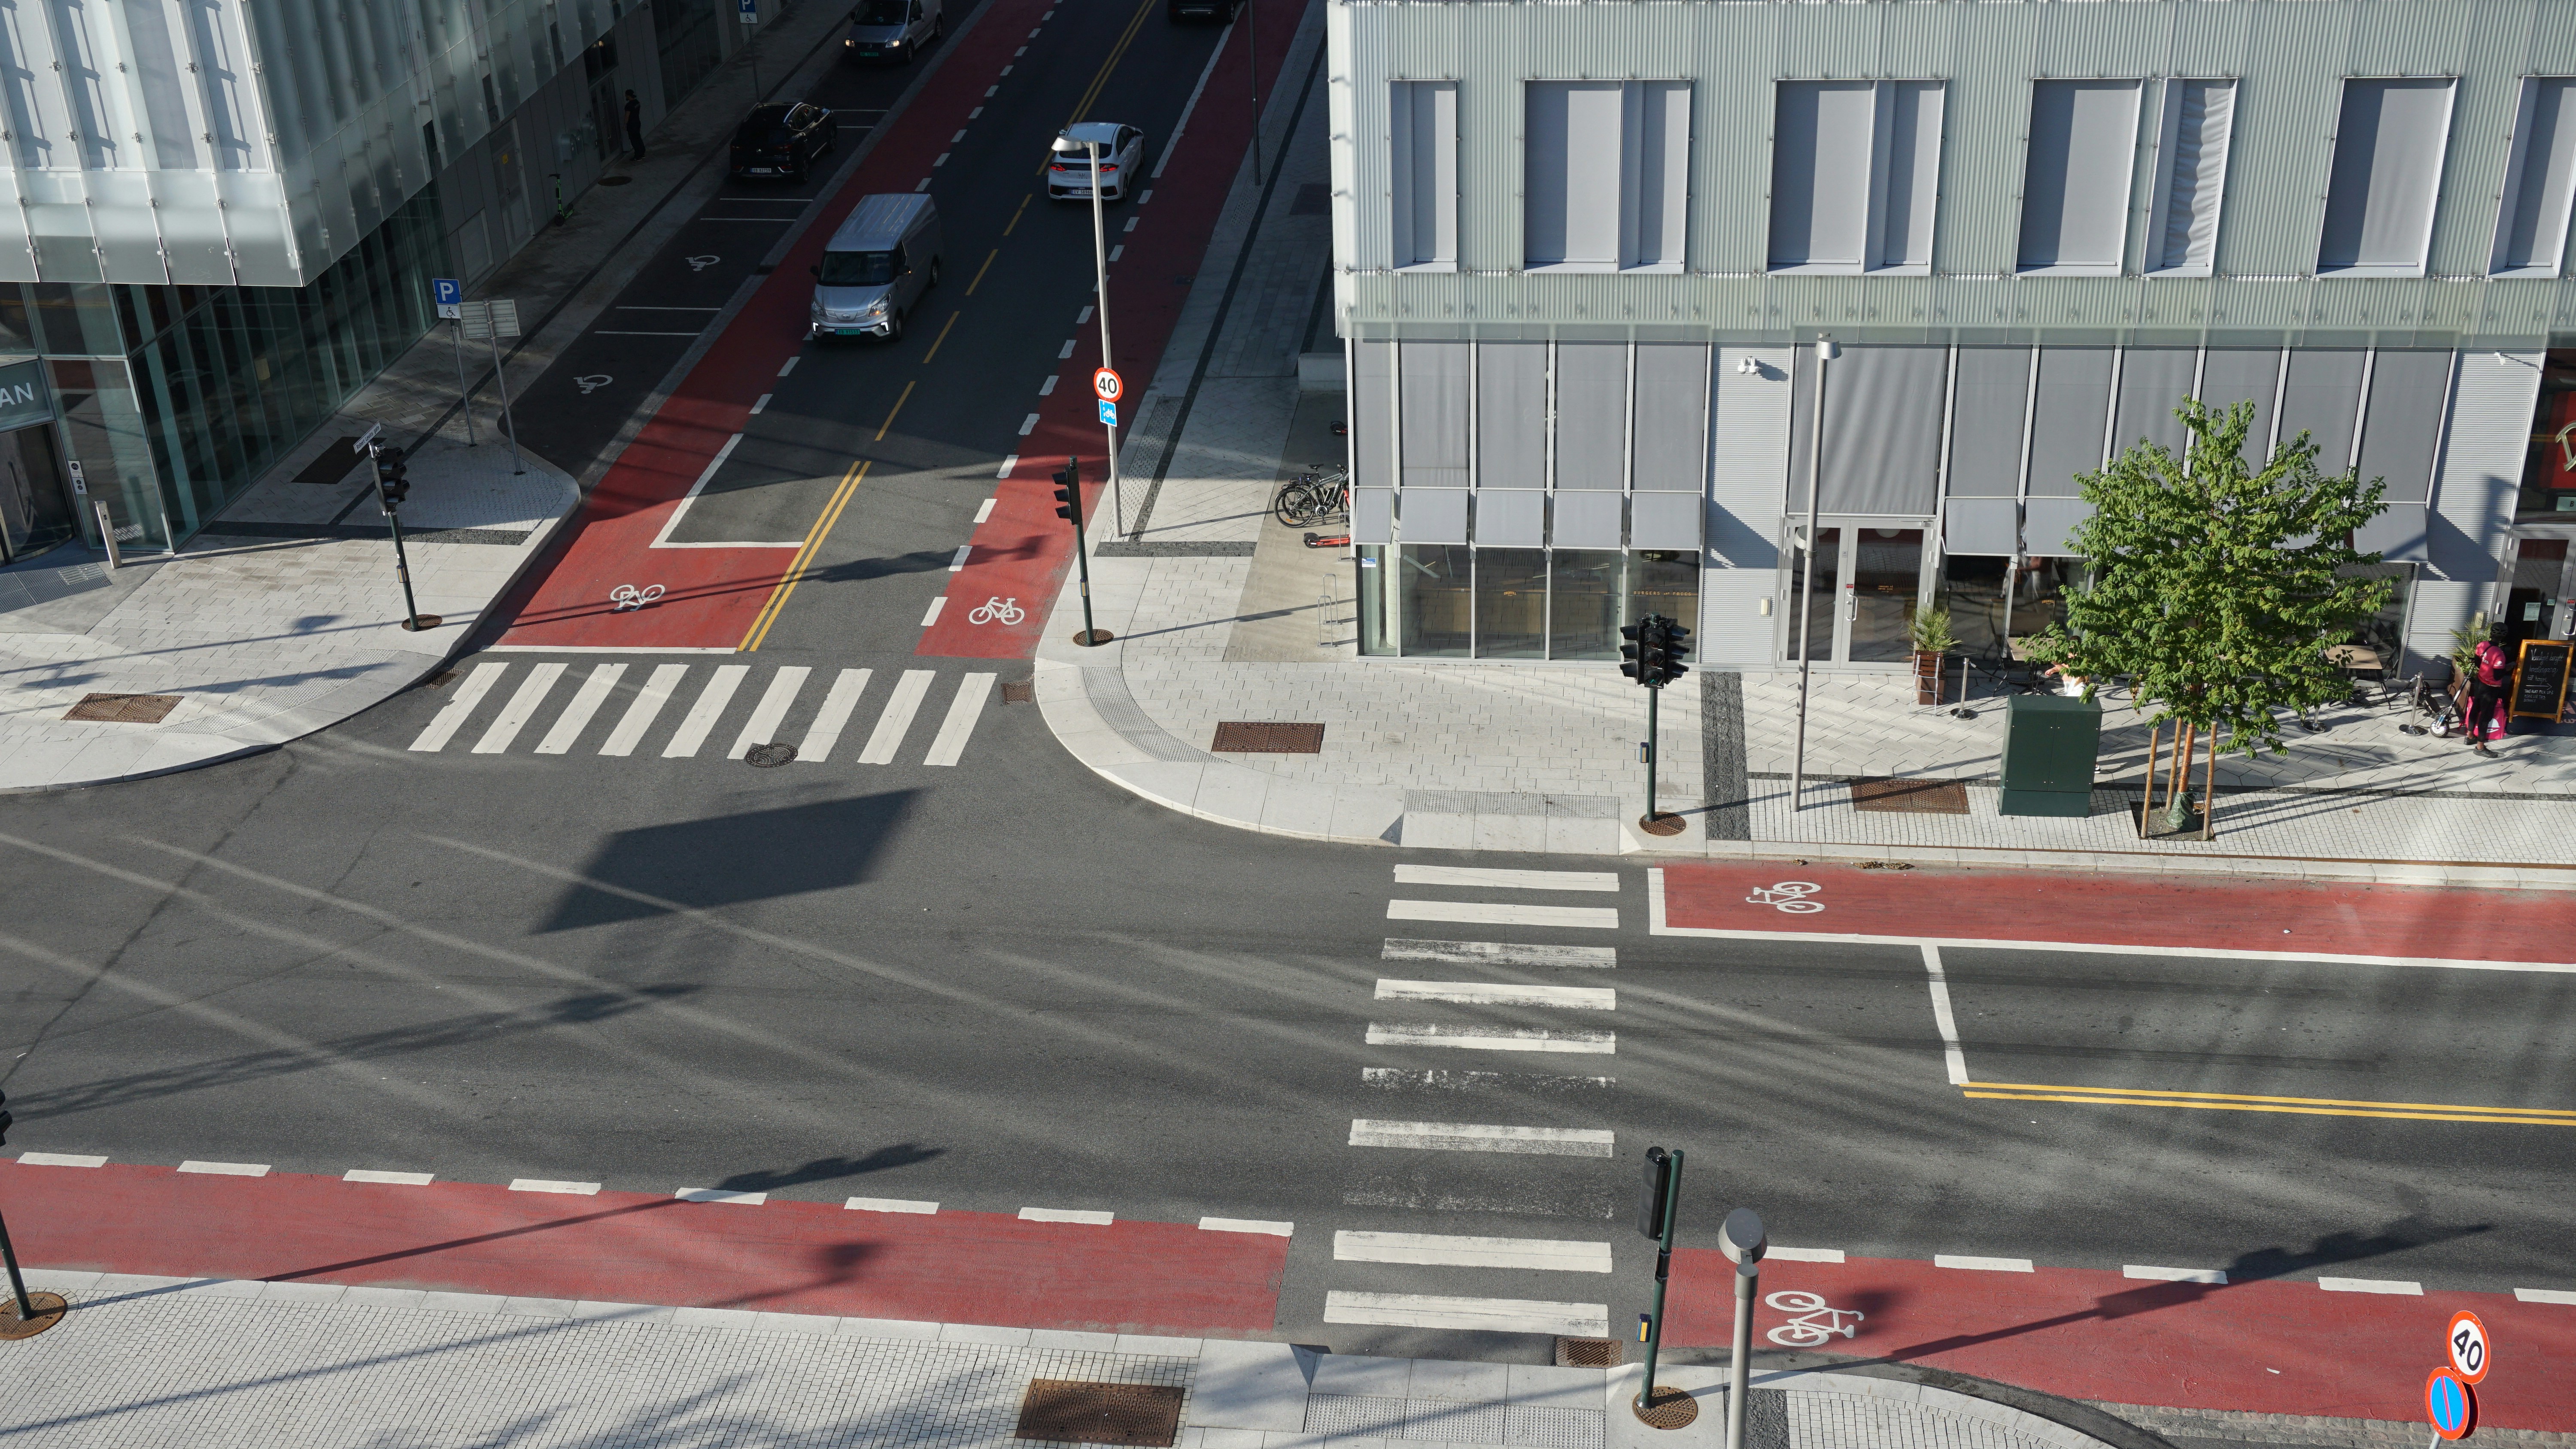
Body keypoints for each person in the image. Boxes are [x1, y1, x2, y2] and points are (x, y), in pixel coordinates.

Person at [2461, 638, 2511, 757]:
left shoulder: (2483, 645)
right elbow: (2498, 675)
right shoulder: (2499, 654)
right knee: (2486, 715)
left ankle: (2470, 736)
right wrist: (2509, 667)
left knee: (2476, 707)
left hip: (2480, 682)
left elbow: (2478, 664)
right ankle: (2480, 747)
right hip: (2491, 688)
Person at [623, 90, 645, 161]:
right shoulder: (637, 103)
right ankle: (642, 153)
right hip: (637, 122)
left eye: (626, 95)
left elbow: (627, 116)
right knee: (638, 138)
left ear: (628, 96)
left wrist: (625, 125)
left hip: (632, 125)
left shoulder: (629, 106)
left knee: (634, 140)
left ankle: (638, 156)